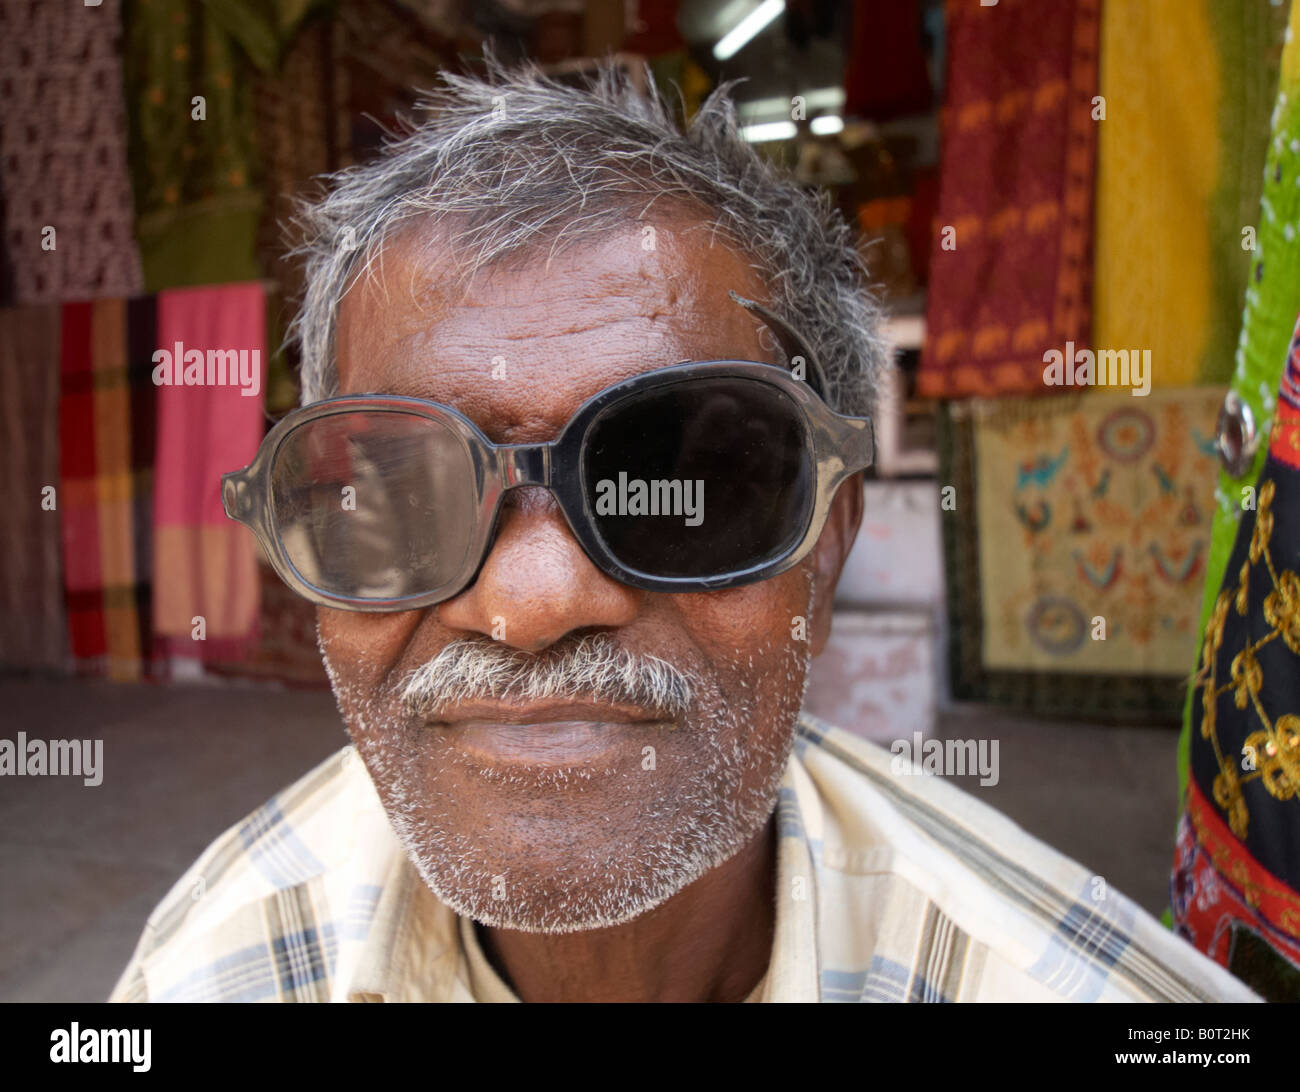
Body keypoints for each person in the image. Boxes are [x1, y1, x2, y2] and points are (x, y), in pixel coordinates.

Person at [110, 59, 1256, 1003]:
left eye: (684, 484)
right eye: (408, 488)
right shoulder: (210, 973)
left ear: (827, 541)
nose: (531, 602)